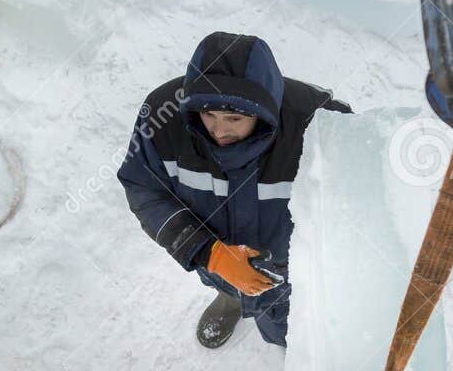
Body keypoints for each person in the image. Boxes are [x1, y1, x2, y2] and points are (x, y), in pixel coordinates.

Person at [117, 32, 350, 348]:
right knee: (226, 282)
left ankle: (288, 344)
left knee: (289, 329)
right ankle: (231, 297)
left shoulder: (317, 121)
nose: (218, 130)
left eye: (234, 118)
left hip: (286, 271)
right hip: (217, 258)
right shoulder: (163, 119)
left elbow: (359, 193)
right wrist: (205, 251)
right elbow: (143, 188)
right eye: (209, 114)